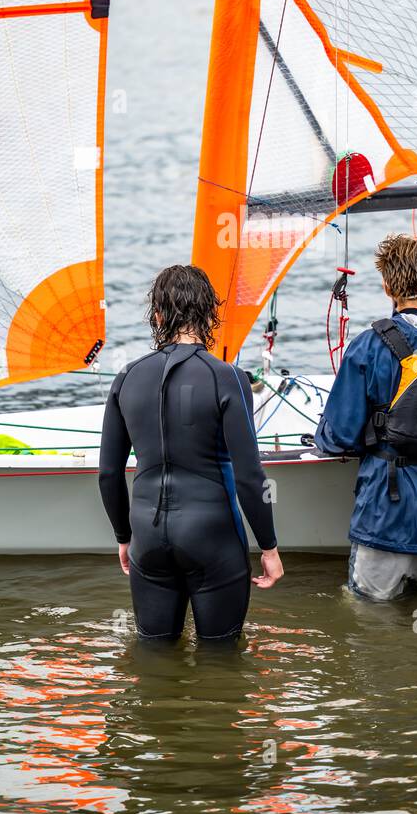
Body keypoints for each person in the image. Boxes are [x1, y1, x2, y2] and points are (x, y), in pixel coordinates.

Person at [98, 264, 283, 642]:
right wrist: (269, 546)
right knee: (222, 660)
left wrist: (123, 536)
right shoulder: (227, 377)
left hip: (147, 538)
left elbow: (108, 473)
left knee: (153, 656)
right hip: (212, 536)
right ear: (209, 314)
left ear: (158, 315)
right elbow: (250, 477)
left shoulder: (126, 378)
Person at [313, 234, 417, 601]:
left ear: (387, 286)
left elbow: (340, 435)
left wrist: (323, 436)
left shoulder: (371, 344)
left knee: (369, 622)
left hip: (386, 512)